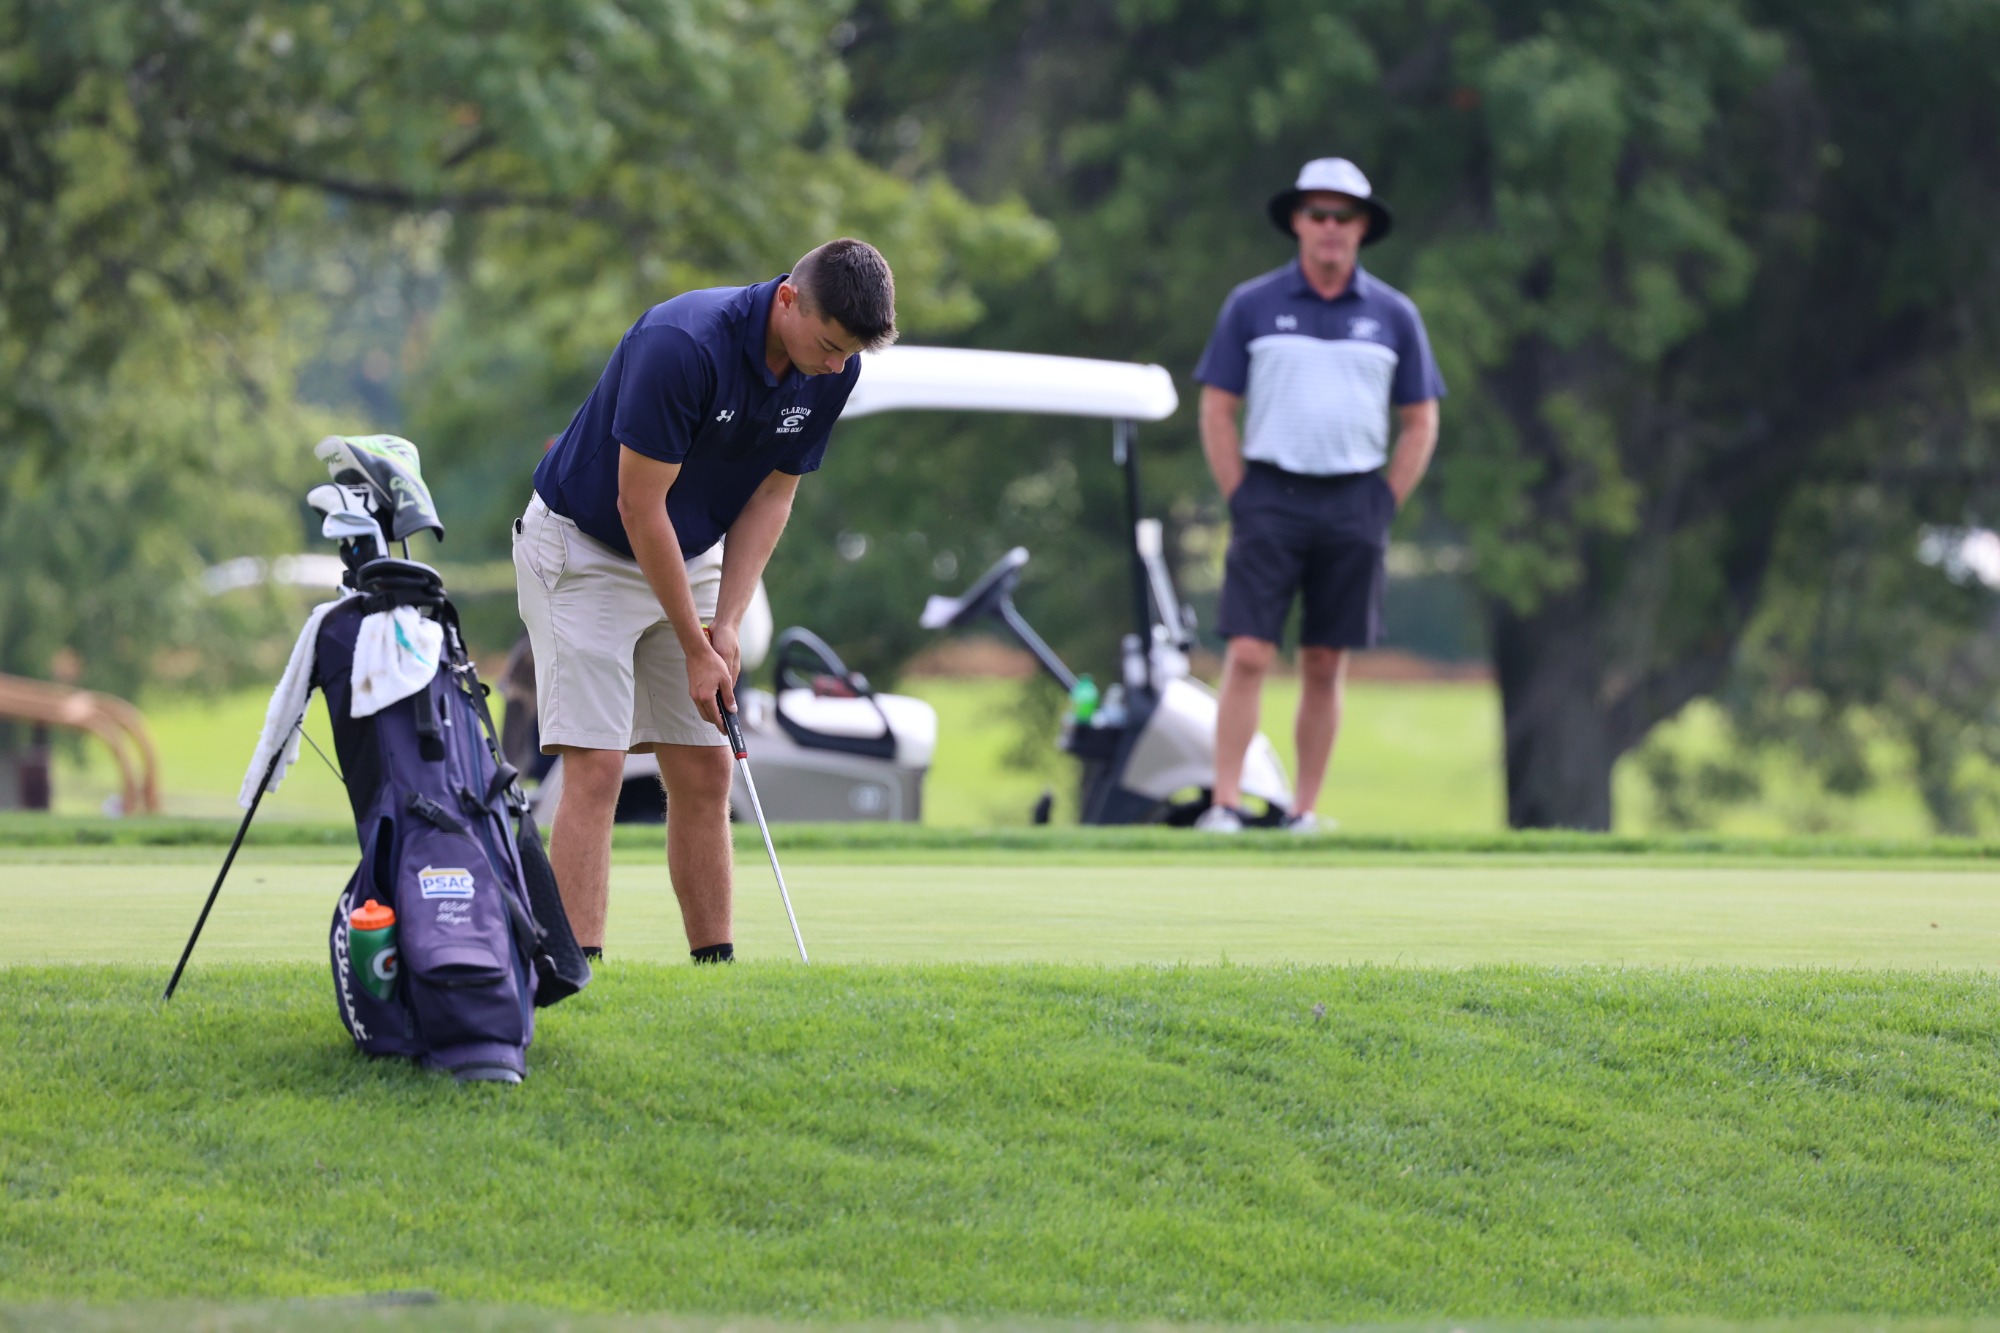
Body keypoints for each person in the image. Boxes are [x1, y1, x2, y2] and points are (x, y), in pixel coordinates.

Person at [513, 239, 897, 959]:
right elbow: (638, 505)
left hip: (687, 552)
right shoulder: (682, 344)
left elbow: (773, 496)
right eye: (828, 344)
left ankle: (712, 968)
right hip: (584, 547)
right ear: (788, 298)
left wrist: (725, 624)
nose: (837, 364)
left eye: (850, 353)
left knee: (705, 764)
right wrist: (695, 645)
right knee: (594, 763)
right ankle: (575, 972)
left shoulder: (831, 373)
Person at [1192, 158, 1443, 833]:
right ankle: (1224, 802)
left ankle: (1302, 809)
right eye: (1318, 215)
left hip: (1355, 498)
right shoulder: (1252, 304)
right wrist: (1240, 495)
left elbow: (1421, 418)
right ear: (1298, 222)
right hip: (1269, 493)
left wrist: (1386, 500)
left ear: (1362, 226)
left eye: (1344, 216)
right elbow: (1218, 408)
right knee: (1247, 651)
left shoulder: (1394, 314)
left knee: (1326, 659)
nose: (1330, 228)